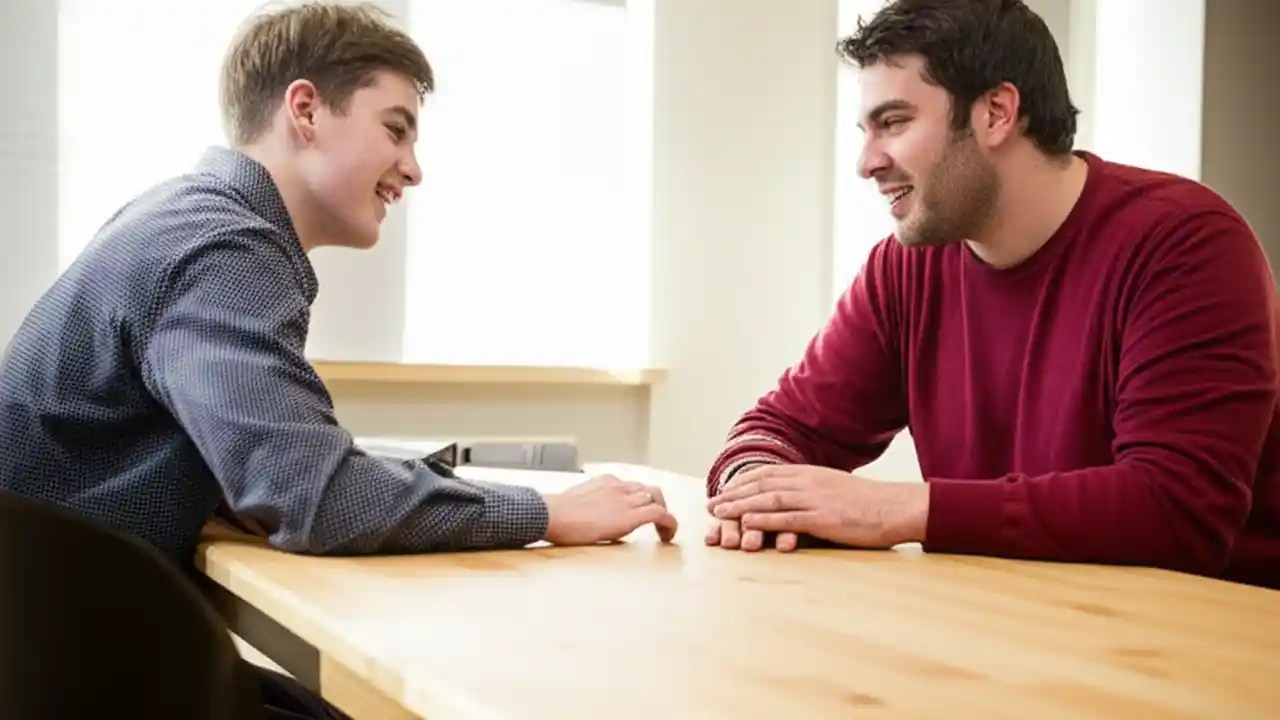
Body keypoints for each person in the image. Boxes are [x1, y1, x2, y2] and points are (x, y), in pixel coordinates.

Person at [0, 3, 676, 717]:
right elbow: (313, 496)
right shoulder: (226, 249)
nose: (413, 169)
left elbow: (283, 471)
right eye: (395, 129)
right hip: (77, 671)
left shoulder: (179, 214)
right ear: (306, 110)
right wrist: (545, 512)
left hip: (50, 648)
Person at [704, 0, 1280, 590]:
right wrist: (755, 493)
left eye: (894, 122)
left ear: (997, 113)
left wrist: (897, 509)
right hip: (1011, 616)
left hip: (1207, 631)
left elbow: (1176, 511)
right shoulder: (906, 268)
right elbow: (780, 428)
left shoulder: (1185, 244)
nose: (867, 163)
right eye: (866, 132)